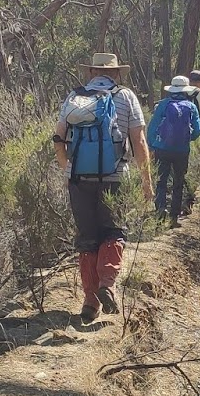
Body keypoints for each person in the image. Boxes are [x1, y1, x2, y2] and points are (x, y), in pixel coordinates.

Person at [53, 52, 152, 324]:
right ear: (117, 73)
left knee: (87, 237)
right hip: (115, 177)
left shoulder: (74, 97)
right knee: (113, 230)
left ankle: (90, 301)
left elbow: (58, 138)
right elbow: (139, 141)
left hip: (79, 178)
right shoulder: (126, 96)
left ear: (91, 72)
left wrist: (67, 169)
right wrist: (146, 181)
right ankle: (107, 284)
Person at [146, 75, 200, 228]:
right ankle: (174, 217)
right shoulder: (191, 106)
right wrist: (186, 138)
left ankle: (160, 212)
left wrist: (152, 145)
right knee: (178, 182)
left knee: (161, 181)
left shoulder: (163, 104)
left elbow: (152, 127)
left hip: (162, 148)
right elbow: (198, 129)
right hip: (182, 150)